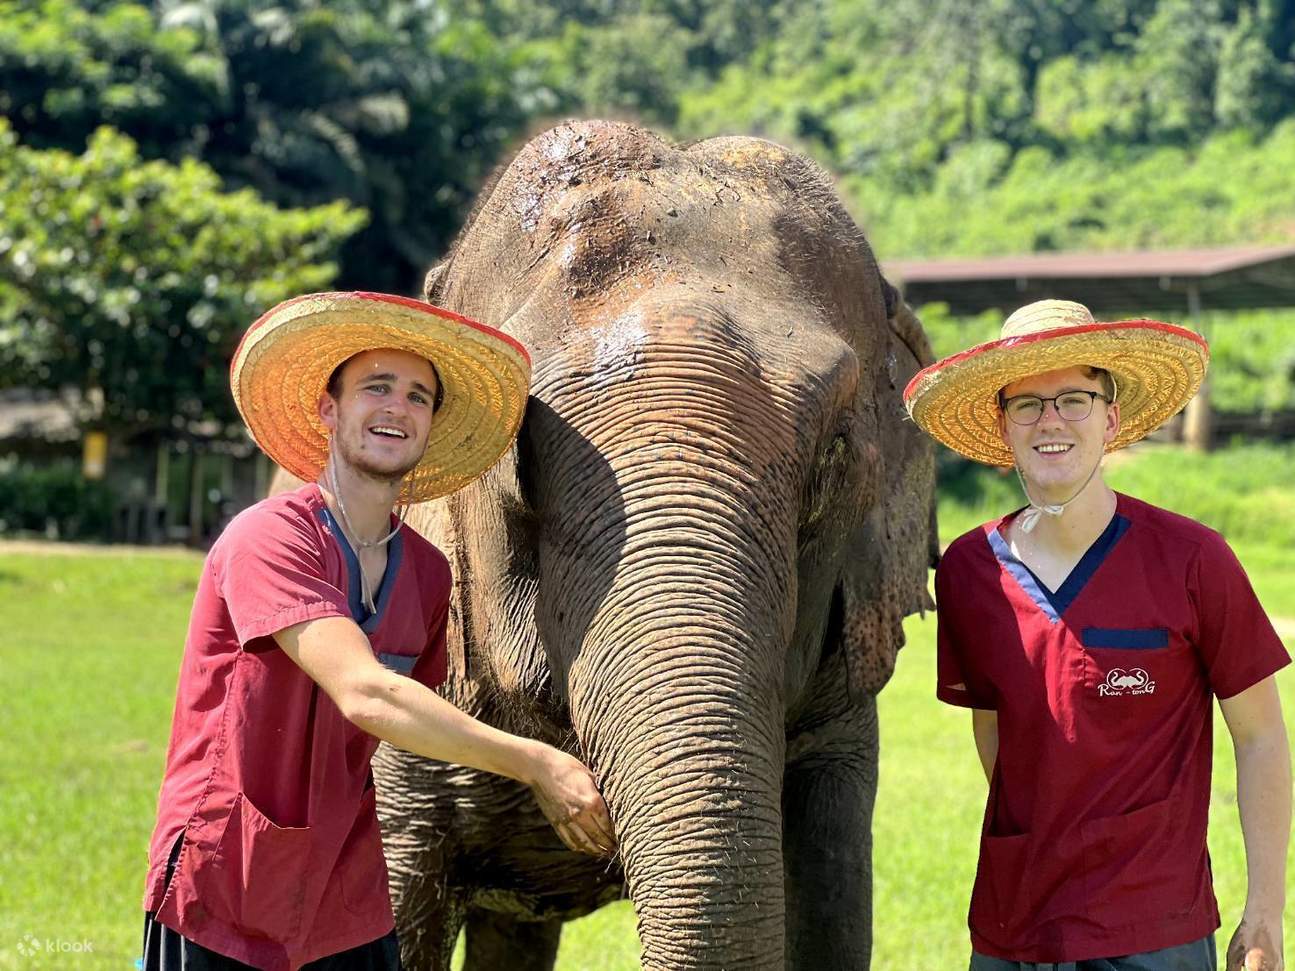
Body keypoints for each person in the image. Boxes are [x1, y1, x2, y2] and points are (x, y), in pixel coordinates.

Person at [141, 291, 616, 971]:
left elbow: (411, 720)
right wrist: (540, 763)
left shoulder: (425, 571)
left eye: (419, 396)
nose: (397, 407)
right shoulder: (268, 537)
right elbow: (368, 694)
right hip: (228, 870)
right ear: (328, 409)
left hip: (345, 880)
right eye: (376, 386)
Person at [903, 299, 1291, 971]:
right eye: (1027, 403)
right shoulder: (969, 571)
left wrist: (1264, 911)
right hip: (1011, 927)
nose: (1050, 420)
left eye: (1074, 399)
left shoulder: (1193, 559)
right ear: (1002, 425)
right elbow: (993, 734)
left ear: (1110, 419)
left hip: (1153, 930)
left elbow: (1260, 736)